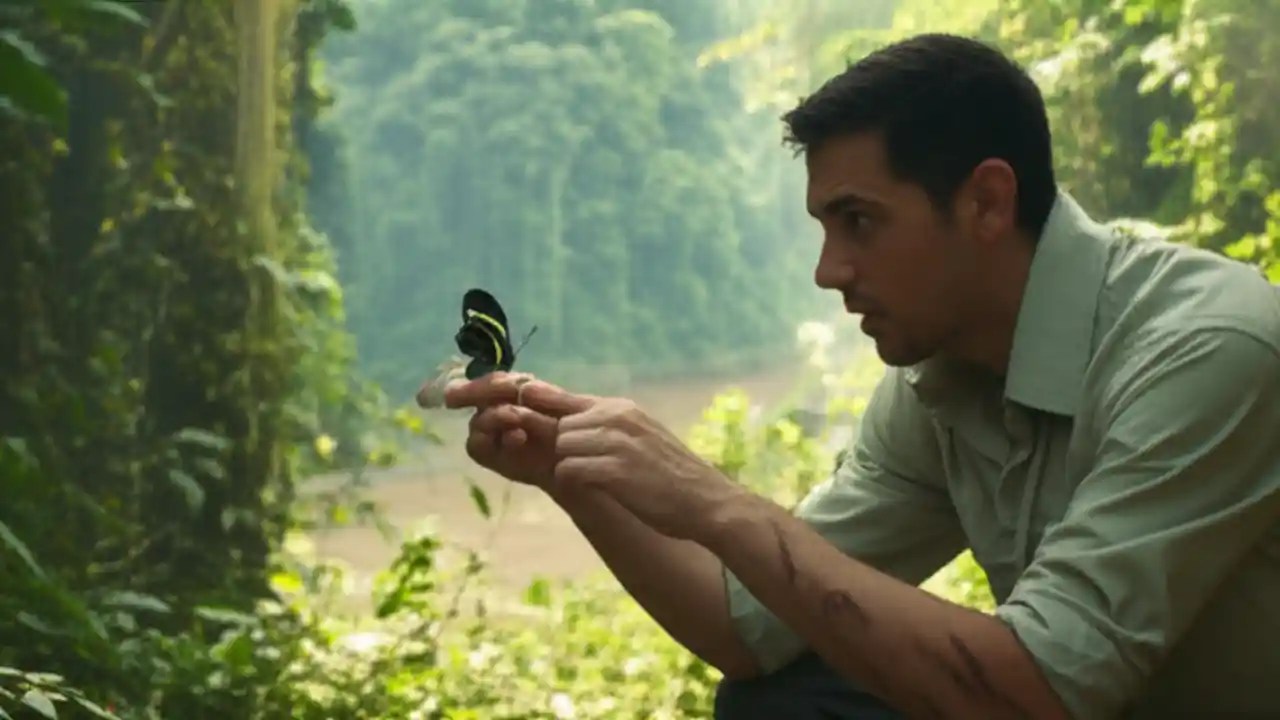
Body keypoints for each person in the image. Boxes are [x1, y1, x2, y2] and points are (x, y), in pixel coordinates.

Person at [430, 32, 1280, 720]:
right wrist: (573, 474)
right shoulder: (941, 381)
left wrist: (715, 501)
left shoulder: (1207, 348)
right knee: (783, 695)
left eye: (860, 221)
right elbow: (746, 626)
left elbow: (1036, 694)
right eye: (824, 227)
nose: (829, 271)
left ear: (986, 202)